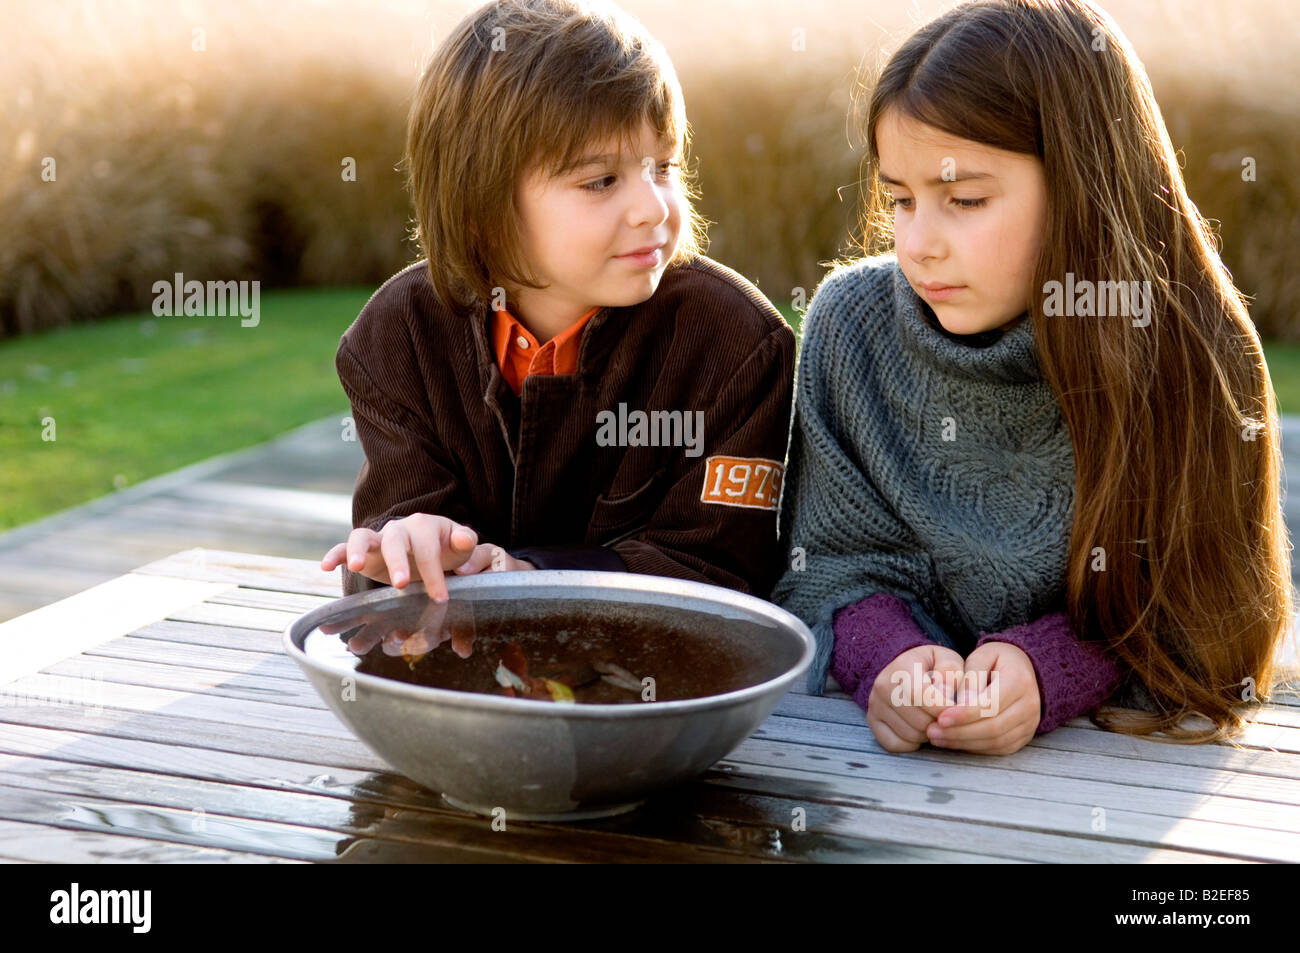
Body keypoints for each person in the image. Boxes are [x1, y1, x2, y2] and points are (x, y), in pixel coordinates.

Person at [771, 0, 1296, 754]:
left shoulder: (1193, 356)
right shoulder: (850, 328)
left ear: (1084, 185)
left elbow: (1209, 627)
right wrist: (887, 659)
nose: (918, 243)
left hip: (1119, 791)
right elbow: (829, 568)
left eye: (965, 200)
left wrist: (1047, 670)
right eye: (900, 199)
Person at [320, 0, 794, 606]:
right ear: (482, 205)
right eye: (600, 181)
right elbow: (391, 569)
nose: (652, 207)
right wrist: (401, 551)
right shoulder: (396, 337)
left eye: (664, 167)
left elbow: (721, 571)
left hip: (654, 693)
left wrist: (535, 576)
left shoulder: (737, 344)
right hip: (462, 690)